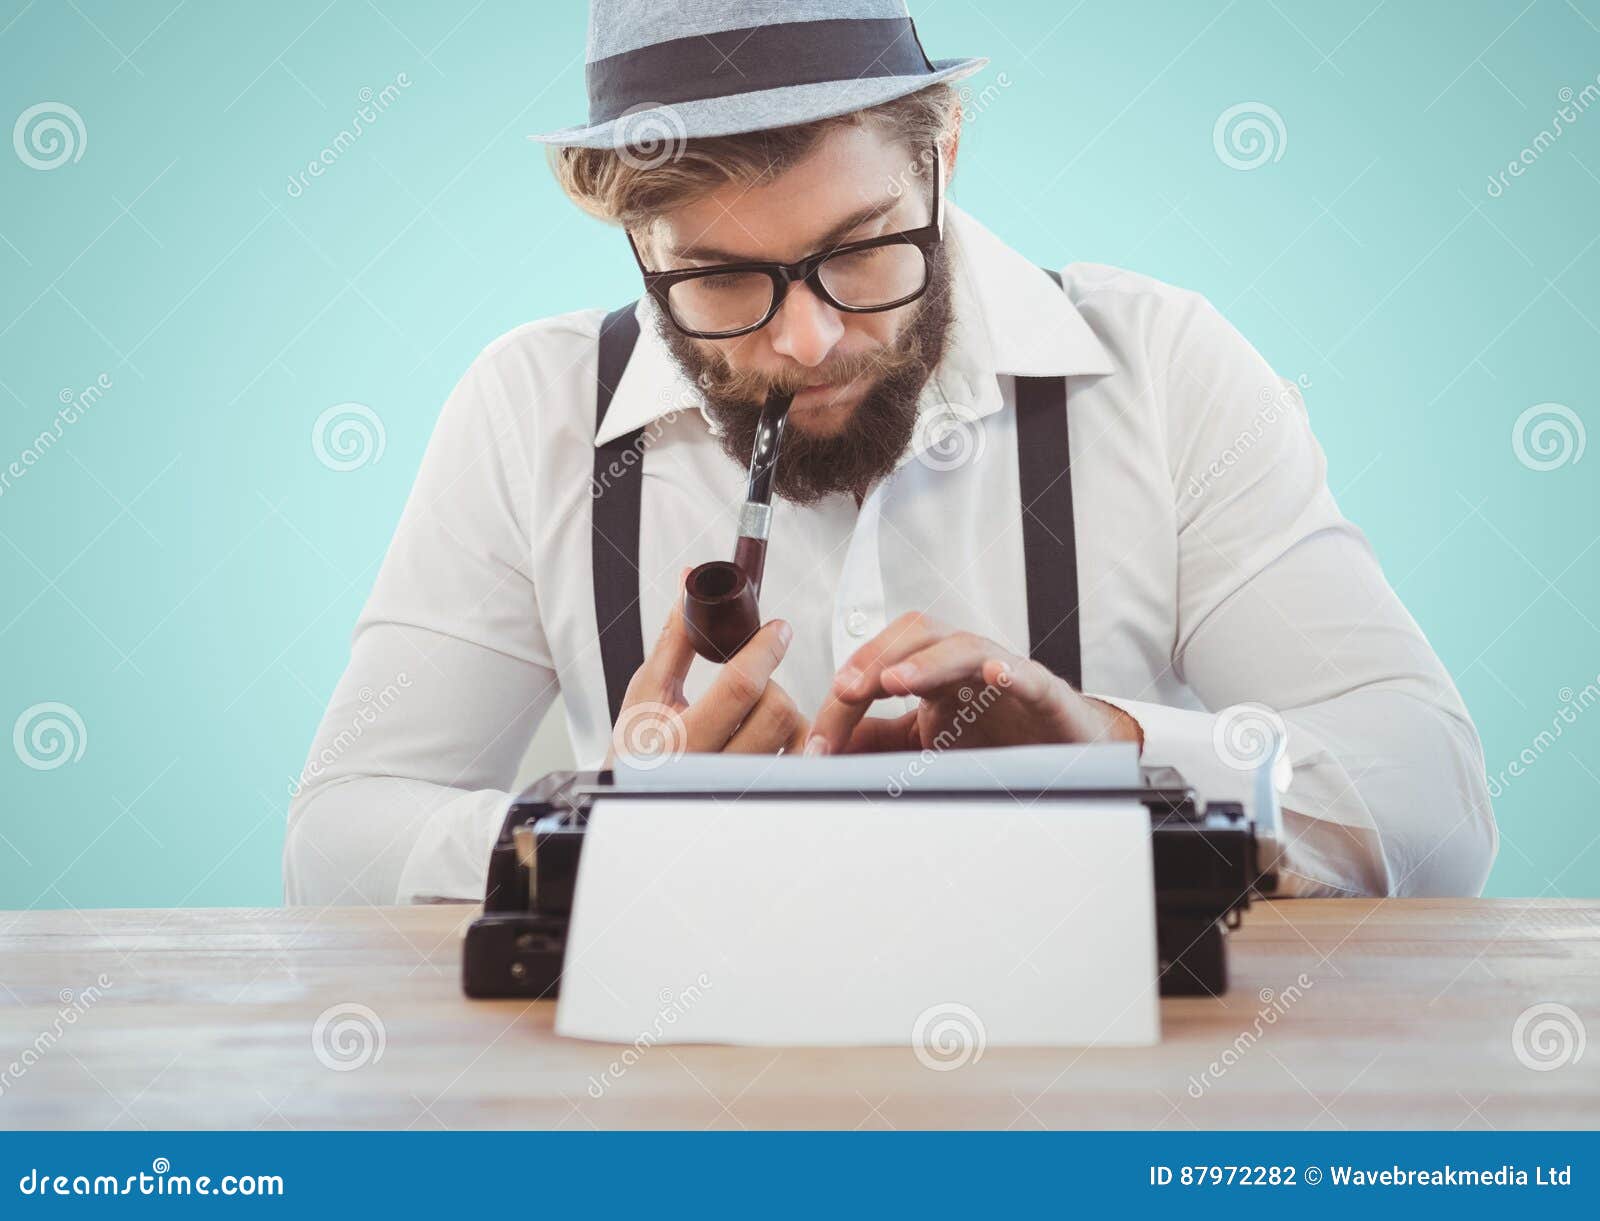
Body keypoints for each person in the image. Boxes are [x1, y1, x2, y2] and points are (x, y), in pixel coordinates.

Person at [284, 0, 1495, 905]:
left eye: (861, 248)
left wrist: (1124, 756)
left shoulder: (1162, 368)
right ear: (634, 242)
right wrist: (600, 833)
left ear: (943, 153)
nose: (806, 341)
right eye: (716, 276)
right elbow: (336, 842)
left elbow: (1436, 810)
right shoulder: (529, 413)